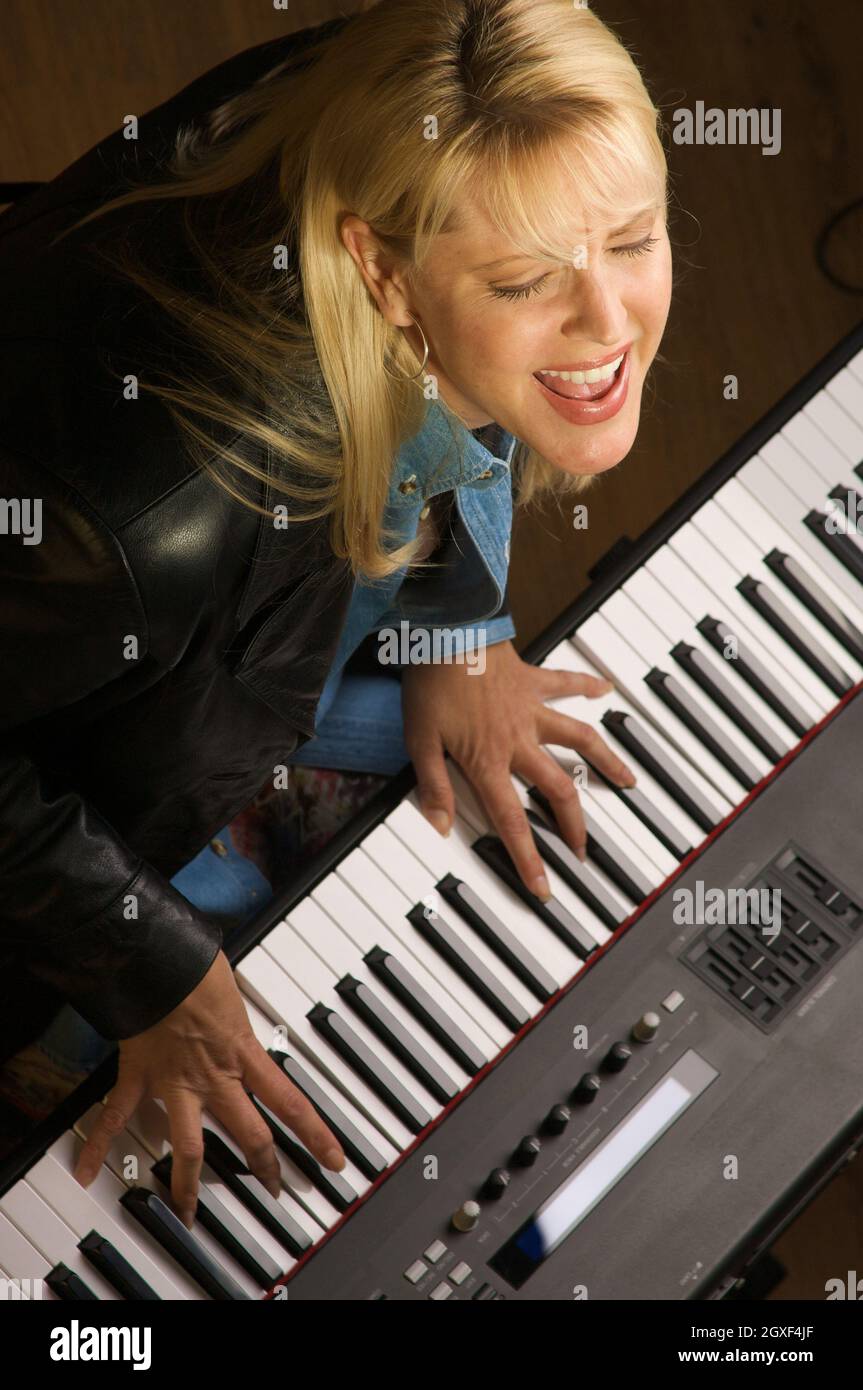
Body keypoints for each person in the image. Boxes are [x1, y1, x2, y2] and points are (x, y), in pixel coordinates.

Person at [0, 0, 672, 1228]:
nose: (610, 327)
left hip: (273, 604)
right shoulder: (139, 524)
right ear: (378, 270)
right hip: (110, 685)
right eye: (525, 282)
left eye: (634, 240)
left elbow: (453, 389)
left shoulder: (449, 104)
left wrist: (462, 623)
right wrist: (148, 966)